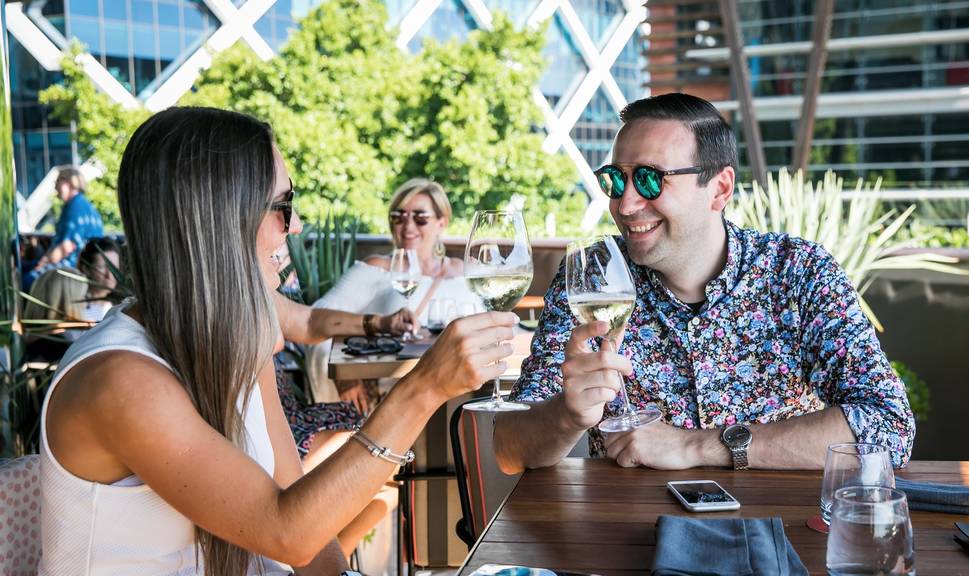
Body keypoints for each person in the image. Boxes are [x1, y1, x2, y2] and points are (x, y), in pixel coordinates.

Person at [38, 106, 518, 575]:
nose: (298, 225)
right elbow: (286, 531)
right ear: (222, 218)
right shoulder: (123, 382)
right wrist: (424, 388)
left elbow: (301, 516)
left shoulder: (242, 341)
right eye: (283, 206)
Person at [493, 93, 915, 474]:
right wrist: (567, 416)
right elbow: (509, 448)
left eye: (649, 178)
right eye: (617, 180)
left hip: (780, 537)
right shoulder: (592, 277)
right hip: (628, 538)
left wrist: (697, 446)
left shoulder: (798, 271)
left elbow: (889, 426)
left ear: (719, 188)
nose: (625, 204)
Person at [306, 178, 482, 408]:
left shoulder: (467, 273)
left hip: (460, 393)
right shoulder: (377, 269)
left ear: (441, 222)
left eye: (420, 218)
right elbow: (316, 317)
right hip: (393, 397)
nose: (408, 226)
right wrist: (345, 376)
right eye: (398, 217)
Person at [25, 167, 104, 288]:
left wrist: (42, 265)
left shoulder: (75, 207)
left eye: (58, 181)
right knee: (24, 267)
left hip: (73, 266)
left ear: (69, 182)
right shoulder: (81, 204)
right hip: (78, 263)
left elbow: (67, 247)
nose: (55, 187)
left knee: (26, 281)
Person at [22, 266, 89, 362]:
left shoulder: (19, 338)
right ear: (67, 302)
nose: (86, 303)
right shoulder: (60, 345)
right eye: (83, 296)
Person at [76, 237, 121, 322]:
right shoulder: (76, 308)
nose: (110, 275)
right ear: (86, 269)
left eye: (114, 268)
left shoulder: (117, 307)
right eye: (101, 267)